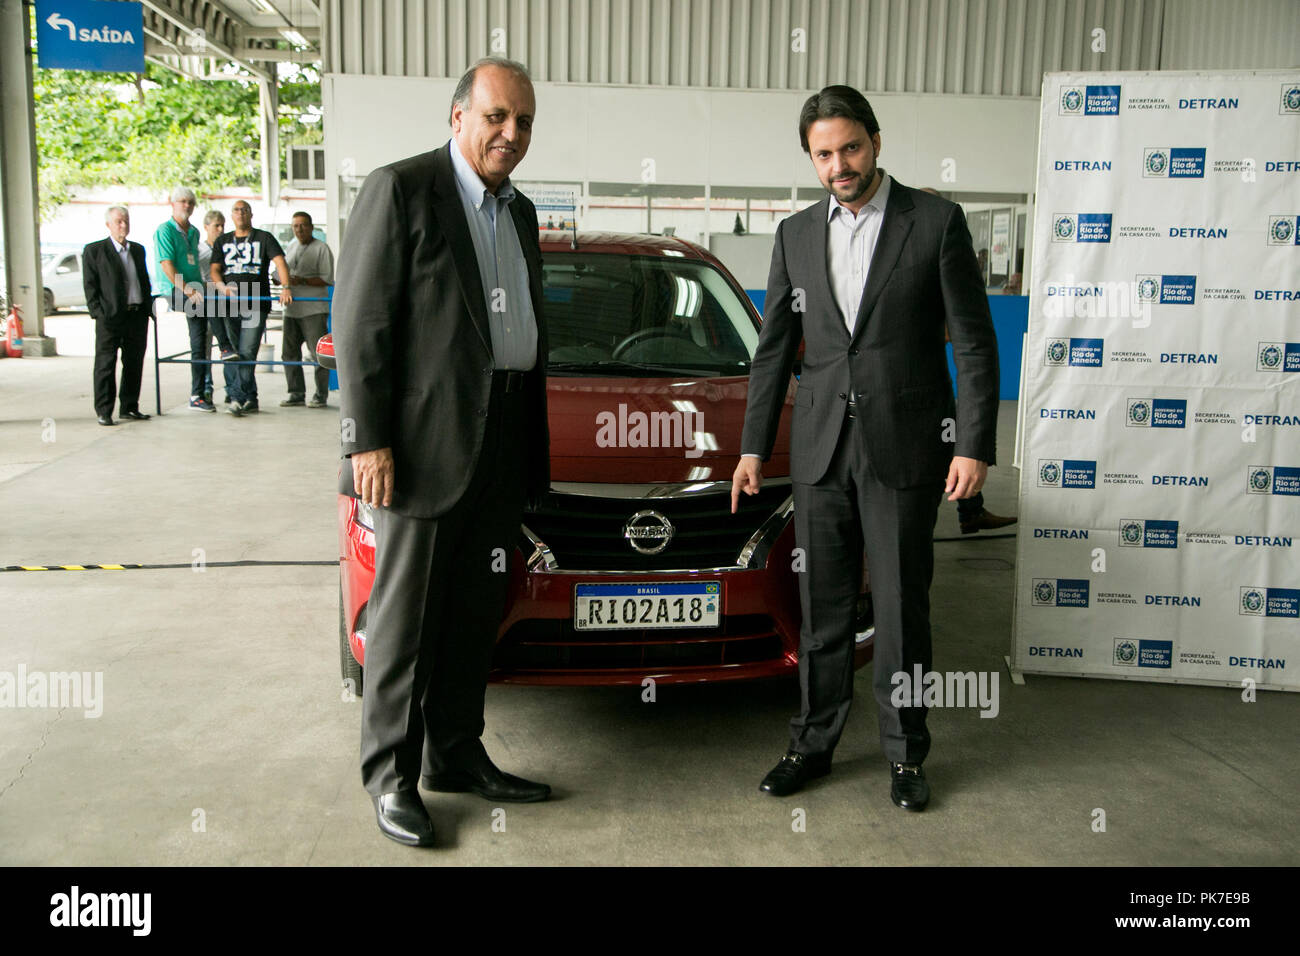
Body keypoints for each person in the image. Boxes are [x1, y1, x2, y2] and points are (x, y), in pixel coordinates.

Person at [732, 86, 999, 812]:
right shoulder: (792, 236)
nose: (839, 164)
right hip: (819, 453)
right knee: (821, 609)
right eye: (824, 153)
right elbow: (774, 351)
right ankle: (812, 744)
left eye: (850, 147)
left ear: (875, 142)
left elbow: (973, 342)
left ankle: (907, 755)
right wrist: (754, 446)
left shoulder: (935, 222)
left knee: (904, 608)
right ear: (810, 159)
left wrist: (973, 444)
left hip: (907, 449)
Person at [333, 57, 551, 848]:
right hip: (419, 450)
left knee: (471, 614)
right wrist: (368, 441)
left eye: (523, 121)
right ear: (458, 117)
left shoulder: (518, 211)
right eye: (497, 116)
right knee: (405, 622)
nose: (511, 134)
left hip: (500, 436)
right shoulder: (402, 189)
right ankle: (390, 776)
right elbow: (361, 323)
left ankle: (455, 754)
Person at [210, 200, 291, 416]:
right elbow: (215, 270)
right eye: (236, 210)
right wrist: (221, 286)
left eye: (244, 210)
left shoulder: (263, 238)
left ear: (250, 214)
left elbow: (280, 262)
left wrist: (286, 287)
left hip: (256, 303)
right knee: (238, 353)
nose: (240, 213)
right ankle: (251, 397)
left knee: (247, 351)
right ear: (232, 215)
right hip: (230, 304)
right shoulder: (223, 240)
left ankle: (236, 398)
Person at [82, 206, 153, 426]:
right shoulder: (95, 250)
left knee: (134, 363)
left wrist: (147, 309)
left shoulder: (138, 250)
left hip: (136, 316)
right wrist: (98, 312)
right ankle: (104, 410)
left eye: (126, 221)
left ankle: (129, 407)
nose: (123, 225)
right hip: (110, 318)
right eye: (119, 221)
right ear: (108, 225)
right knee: (105, 364)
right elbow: (90, 284)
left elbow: (143, 281)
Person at [154, 187, 214, 412]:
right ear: (172, 203)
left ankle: (197, 395)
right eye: (182, 201)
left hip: (194, 291)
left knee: (199, 343)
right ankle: (226, 347)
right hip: (175, 289)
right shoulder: (165, 231)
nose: (187, 205)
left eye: (190, 202)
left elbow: (194, 264)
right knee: (212, 307)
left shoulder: (194, 232)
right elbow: (167, 265)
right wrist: (187, 288)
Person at [279, 212, 334, 408]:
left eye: (303, 225)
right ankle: (296, 392)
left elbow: (327, 278)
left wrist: (301, 280)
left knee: (318, 353)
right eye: (295, 226)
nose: (299, 229)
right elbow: (281, 272)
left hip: (313, 310)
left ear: (311, 227)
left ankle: (320, 394)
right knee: (289, 353)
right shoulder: (291, 247)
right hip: (291, 310)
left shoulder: (322, 248)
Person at [197, 209, 241, 406]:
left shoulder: (227, 248)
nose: (221, 229)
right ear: (206, 227)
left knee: (231, 348)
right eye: (216, 226)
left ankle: (232, 390)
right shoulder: (199, 250)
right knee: (205, 347)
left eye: (223, 225)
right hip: (206, 304)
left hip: (227, 303)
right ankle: (206, 389)